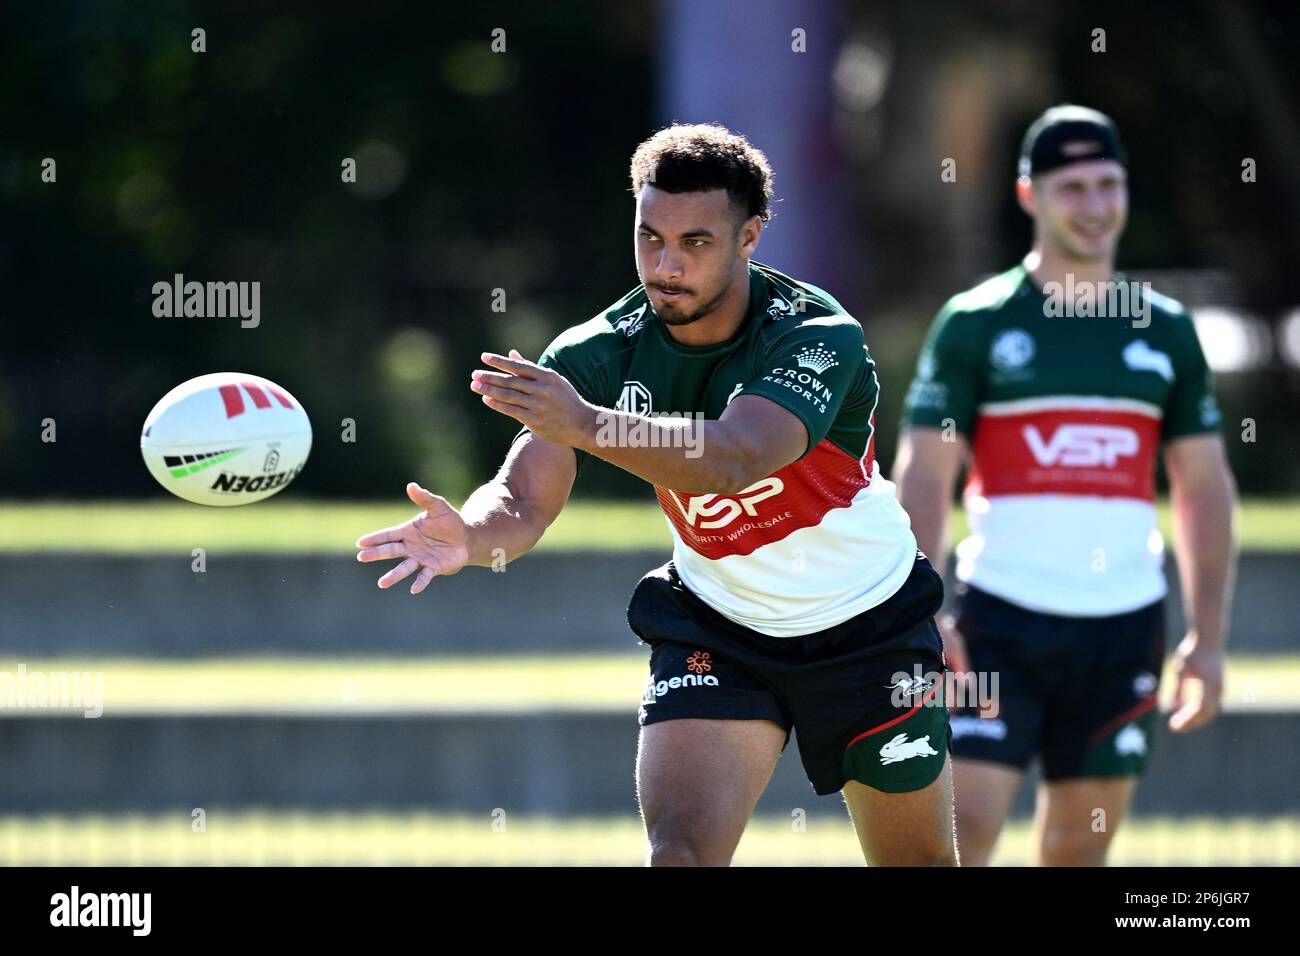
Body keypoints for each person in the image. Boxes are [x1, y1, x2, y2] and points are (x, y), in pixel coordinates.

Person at [357, 123, 957, 866]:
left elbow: (737, 458)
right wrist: (472, 535)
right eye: (650, 238)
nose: (666, 266)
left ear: (750, 237)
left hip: (870, 626)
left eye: (696, 243)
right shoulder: (595, 354)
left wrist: (586, 421)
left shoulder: (814, 334)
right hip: (719, 628)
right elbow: (523, 499)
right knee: (679, 857)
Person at [893, 104, 1237, 866]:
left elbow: (1204, 487)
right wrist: (921, 610)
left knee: (1074, 855)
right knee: (958, 836)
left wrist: (1206, 640)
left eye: (1108, 184)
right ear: (1030, 197)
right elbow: (924, 472)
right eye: (1072, 186)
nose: (1094, 205)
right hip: (996, 626)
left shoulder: (1167, 330)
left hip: (1123, 627)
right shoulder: (975, 323)